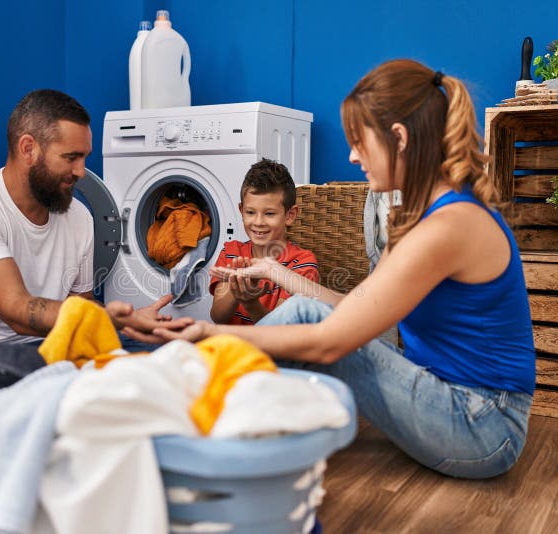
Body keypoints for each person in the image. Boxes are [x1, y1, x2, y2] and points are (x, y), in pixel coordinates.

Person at [146, 60, 536, 479]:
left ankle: (188, 411)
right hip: (449, 398)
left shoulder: (447, 224)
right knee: (307, 314)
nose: (351, 156)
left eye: (358, 141)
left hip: (484, 426)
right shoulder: (418, 214)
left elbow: (330, 342)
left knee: (308, 324)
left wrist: (208, 332)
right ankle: (204, 410)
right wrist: (275, 272)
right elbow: (353, 307)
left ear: (399, 138)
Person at [0, 89, 191, 423]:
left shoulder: (79, 218)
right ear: (28, 148)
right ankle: (71, 403)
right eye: (71, 157)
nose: (81, 171)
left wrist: (132, 324)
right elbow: (17, 311)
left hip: (47, 350)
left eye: (84, 158)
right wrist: (115, 320)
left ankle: (33, 408)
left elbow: (80, 309)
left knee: (175, 353)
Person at [209, 158, 319, 325]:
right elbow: (217, 316)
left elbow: (281, 331)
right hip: (230, 344)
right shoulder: (231, 253)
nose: (258, 222)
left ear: (290, 215)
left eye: (269, 214)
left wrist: (251, 304)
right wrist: (236, 288)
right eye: (251, 212)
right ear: (241, 210)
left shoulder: (302, 263)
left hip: (272, 350)